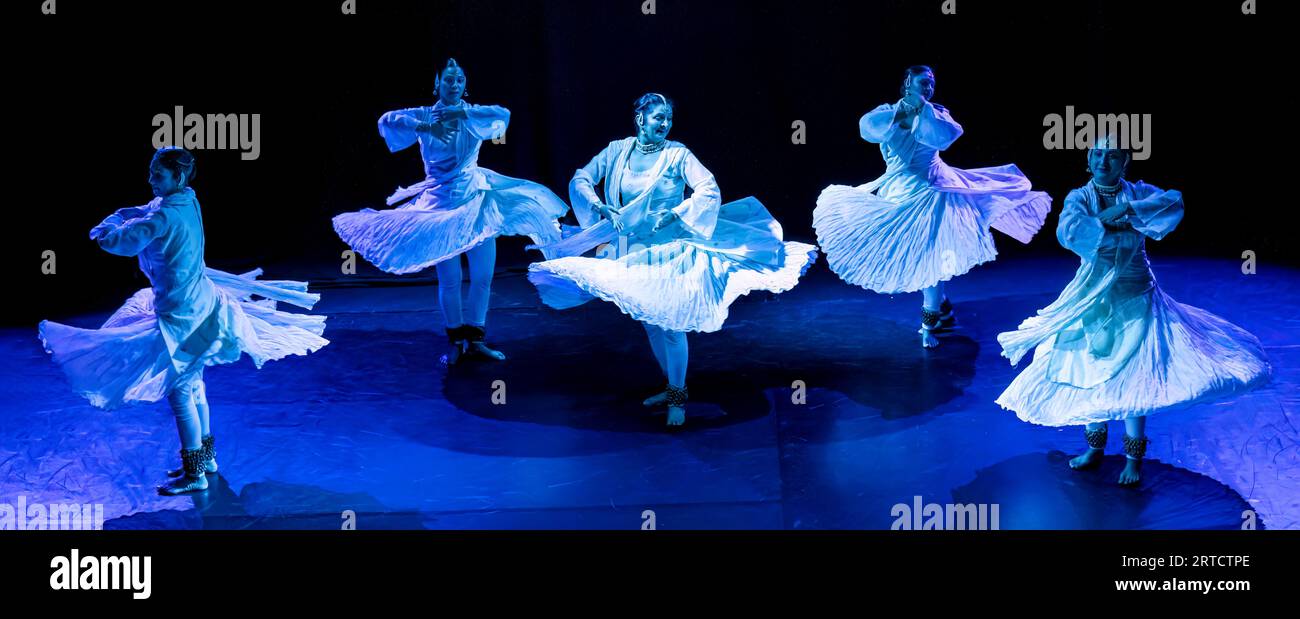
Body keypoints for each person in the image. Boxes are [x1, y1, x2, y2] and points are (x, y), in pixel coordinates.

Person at [39, 147, 330, 495]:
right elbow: (149, 210)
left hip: (184, 317)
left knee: (181, 393)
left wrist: (108, 225)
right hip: (201, 306)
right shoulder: (188, 200)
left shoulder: (165, 217)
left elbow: (123, 240)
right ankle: (205, 462)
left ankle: (196, 474)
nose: (150, 180)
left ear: (177, 177)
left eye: (157, 175)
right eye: (150, 172)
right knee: (193, 385)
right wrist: (128, 212)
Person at [529, 93, 818, 426]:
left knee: (670, 323)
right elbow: (581, 178)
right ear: (640, 119)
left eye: (668, 118)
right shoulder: (617, 151)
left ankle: (678, 397)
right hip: (632, 249)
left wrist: (675, 214)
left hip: (672, 249)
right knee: (650, 319)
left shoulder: (678, 154)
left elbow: (708, 189)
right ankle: (672, 387)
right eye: (658, 118)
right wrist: (597, 206)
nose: (664, 124)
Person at [996, 135, 1270, 485]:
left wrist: (1126, 209)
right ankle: (1094, 447)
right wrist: (1108, 222)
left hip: (1136, 290)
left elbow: (1172, 204)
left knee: (1135, 370)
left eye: (1112, 156)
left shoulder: (1136, 192)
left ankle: (1132, 457)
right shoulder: (1080, 197)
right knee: (1089, 367)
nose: (1103, 162)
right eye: (1097, 155)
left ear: (1125, 161)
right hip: (1093, 294)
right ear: (1087, 161)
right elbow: (1071, 232)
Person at [333, 58, 568, 365]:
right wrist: (424, 125)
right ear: (437, 84)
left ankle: (476, 340)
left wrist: (463, 111)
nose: (454, 84)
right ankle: (457, 343)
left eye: (459, 80)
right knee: (451, 279)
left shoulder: (471, 116)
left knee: (483, 276)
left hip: (477, 203)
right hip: (439, 209)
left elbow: (503, 116)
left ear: (465, 86)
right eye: (448, 80)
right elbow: (385, 121)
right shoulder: (425, 114)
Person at [813, 65, 1051, 347]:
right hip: (898, 190)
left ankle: (929, 322)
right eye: (923, 83)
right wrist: (904, 112)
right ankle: (943, 306)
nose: (929, 88)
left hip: (935, 189)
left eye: (932, 84)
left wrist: (923, 109)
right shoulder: (886, 112)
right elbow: (869, 130)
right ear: (907, 84)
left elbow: (943, 138)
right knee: (913, 255)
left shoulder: (936, 112)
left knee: (931, 256)